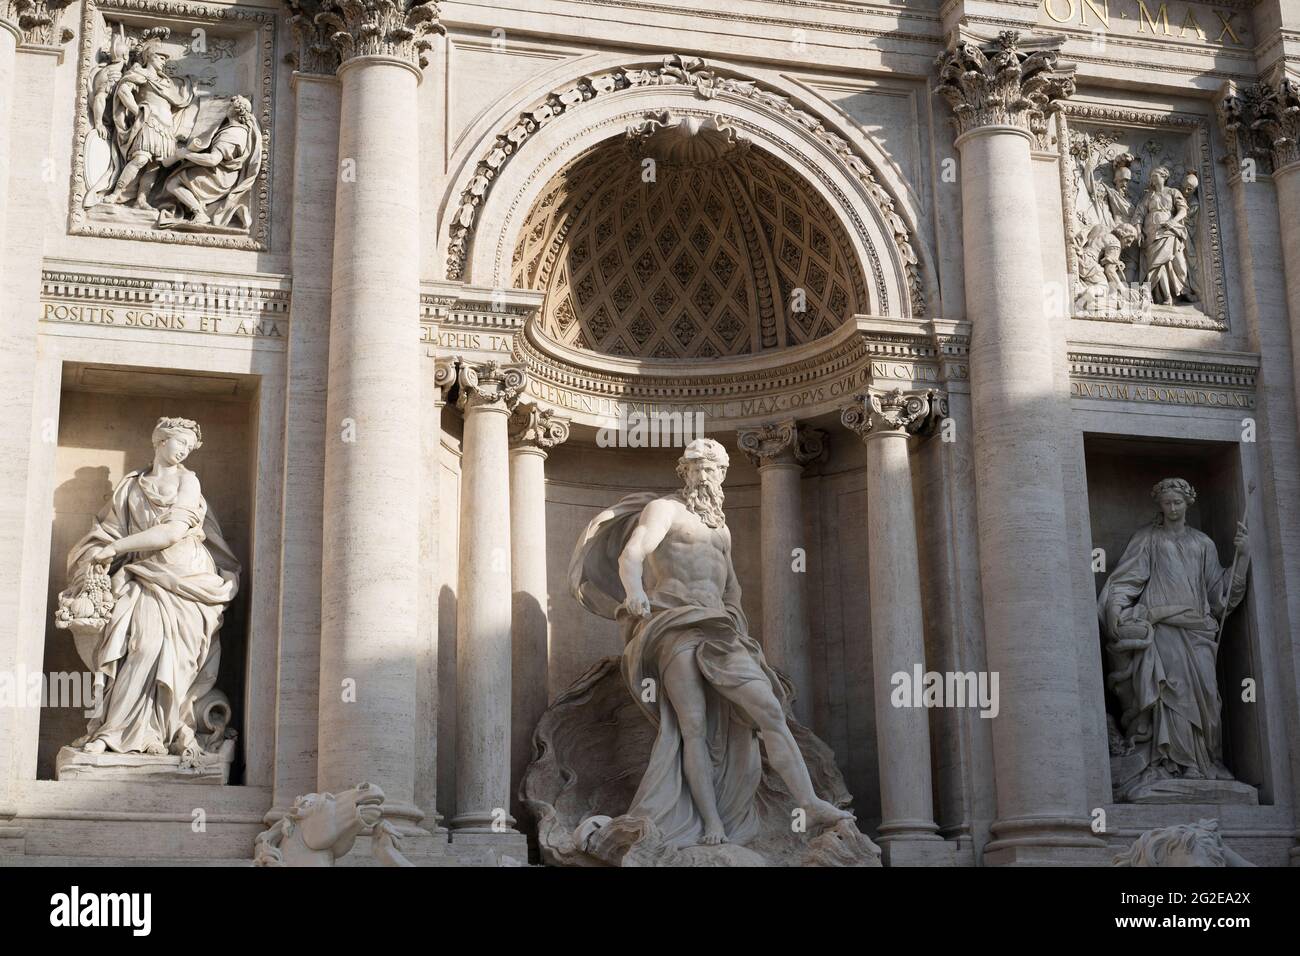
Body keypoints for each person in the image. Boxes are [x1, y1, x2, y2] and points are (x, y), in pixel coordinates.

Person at [570, 438, 851, 847]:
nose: (705, 474)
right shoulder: (665, 510)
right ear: (684, 472)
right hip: (674, 624)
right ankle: (711, 822)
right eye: (697, 467)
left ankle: (807, 802)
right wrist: (635, 592)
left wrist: (738, 626)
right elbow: (631, 554)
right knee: (693, 727)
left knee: (768, 709)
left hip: (719, 629)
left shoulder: (721, 527)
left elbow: (731, 587)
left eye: (713, 468)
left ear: (723, 474)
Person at [60, 417, 239, 762]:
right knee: (138, 646)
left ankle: (162, 731)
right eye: (180, 442)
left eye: (190, 445)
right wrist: (97, 554)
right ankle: (113, 732)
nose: (185, 450)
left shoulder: (189, 481)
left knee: (167, 653)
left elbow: (172, 532)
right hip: (142, 574)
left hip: (185, 578)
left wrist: (115, 549)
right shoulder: (130, 486)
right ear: (160, 441)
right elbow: (108, 531)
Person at [1098, 478, 1248, 791]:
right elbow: (1127, 580)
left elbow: (1219, 593)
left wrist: (1243, 557)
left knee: (1207, 695)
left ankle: (1204, 759)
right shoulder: (1148, 538)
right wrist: (1116, 609)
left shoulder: (1202, 543)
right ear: (1160, 506)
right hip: (1163, 628)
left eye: (1177, 502)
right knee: (1171, 692)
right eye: (1167, 503)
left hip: (1198, 631)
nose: (1172, 507)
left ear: (1187, 503)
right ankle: (1174, 764)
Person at [161, 96, 262, 228]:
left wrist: (187, 154)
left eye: (230, 105)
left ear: (235, 110)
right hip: (225, 175)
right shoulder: (238, 131)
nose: (227, 106)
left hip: (219, 177)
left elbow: (213, 159)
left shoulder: (231, 134)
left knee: (173, 183)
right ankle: (225, 211)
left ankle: (200, 214)